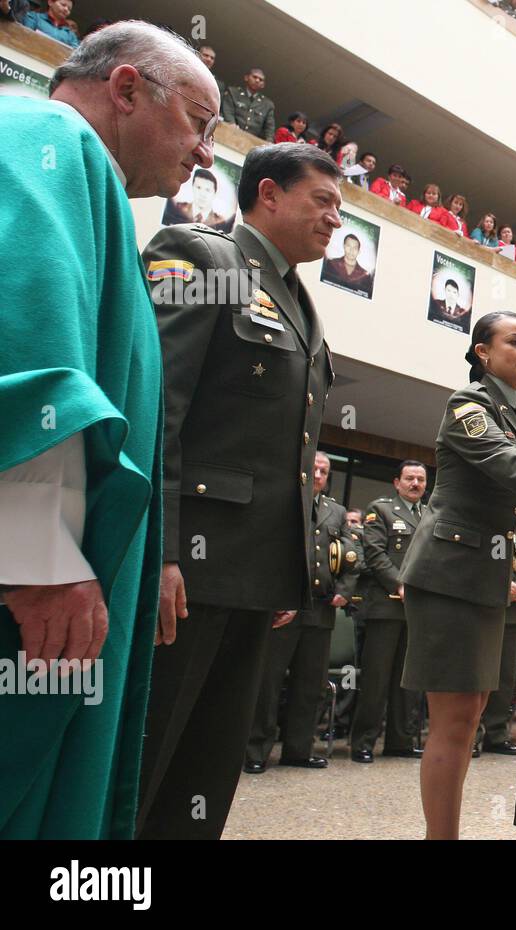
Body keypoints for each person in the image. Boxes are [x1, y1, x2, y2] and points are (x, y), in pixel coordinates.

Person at [0, 21, 215, 839]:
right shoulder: (42, 135)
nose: (204, 154)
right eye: (198, 121)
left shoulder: (90, 191)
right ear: (126, 89)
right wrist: (35, 552)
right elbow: (20, 345)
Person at [135, 142, 341, 839]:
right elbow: (156, 403)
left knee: (207, 772)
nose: (335, 221)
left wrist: (294, 569)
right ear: (268, 194)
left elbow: (288, 456)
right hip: (189, 567)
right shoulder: (203, 259)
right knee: (146, 761)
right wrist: (158, 551)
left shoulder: (299, 302)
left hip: (253, 574)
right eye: (323, 202)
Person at [401, 313, 516, 839]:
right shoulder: (469, 405)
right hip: (448, 570)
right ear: (482, 352)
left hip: (483, 573)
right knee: (454, 718)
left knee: (471, 713)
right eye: (514, 342)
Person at [245, 453, 359, 773]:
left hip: (320, 609)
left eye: (324, 471)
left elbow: (352, 557)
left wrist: (345, 591)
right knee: (269, 683)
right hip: (283, 608)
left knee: (311, 685)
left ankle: (299, 749)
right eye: (315, 469)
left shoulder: (335, 511)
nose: (319, 474)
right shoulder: (285, 500)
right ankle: (256, 750)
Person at [350, 462, 428, 763]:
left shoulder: (430, 513)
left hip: (417, 610)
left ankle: (400, 741)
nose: (416, 484)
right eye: (410, 478)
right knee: (377, 679)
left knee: (407, 680)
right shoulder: (380, 510)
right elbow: (375, 553)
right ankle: (364, 742)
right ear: (397, 482)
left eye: (421, 479)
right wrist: (399, 584)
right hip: (385, 606)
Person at [475, 518, 516, 756]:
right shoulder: (482, 519)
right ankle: (472, 736)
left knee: (504, 677)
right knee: (479, 673)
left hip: (513, 610)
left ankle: (497, 735)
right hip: (482, 607)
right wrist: (498, 585)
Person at [162, 166, 233, 232]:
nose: (202, 194)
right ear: (192, 187)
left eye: (207, 190)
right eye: (198, 188)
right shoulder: (176, 209)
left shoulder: (222, 223)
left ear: (214, 193)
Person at [220, 67, 275, 141]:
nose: (257, 80)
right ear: (246, 78)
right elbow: (228, 112)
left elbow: (269, 128)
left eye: (261, 80)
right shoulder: (233, 92)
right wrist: (231, 124)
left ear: (263, 85)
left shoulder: (267, 105)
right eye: (254, 77)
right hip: (229, 134)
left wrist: (269, 142)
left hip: (250, 141)